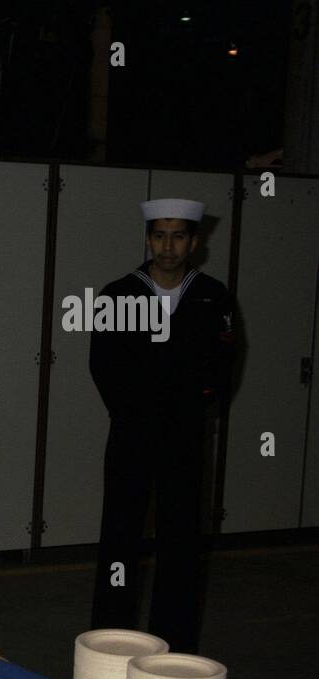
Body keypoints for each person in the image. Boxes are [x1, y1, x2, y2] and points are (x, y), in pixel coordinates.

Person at [90, 198, 236, 653]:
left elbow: (225, 365)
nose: (167, 246)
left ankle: (174, 644)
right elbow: (103, 365)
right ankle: (111, 637)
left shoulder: (213, 296)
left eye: (177, 236)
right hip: (132, 434)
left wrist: (196, 409)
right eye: (159, 235)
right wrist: (132, 413)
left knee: (181, 540)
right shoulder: (119, 294)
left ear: (194, 241)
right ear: (147, 238)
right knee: (120, 534)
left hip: (185, 438)